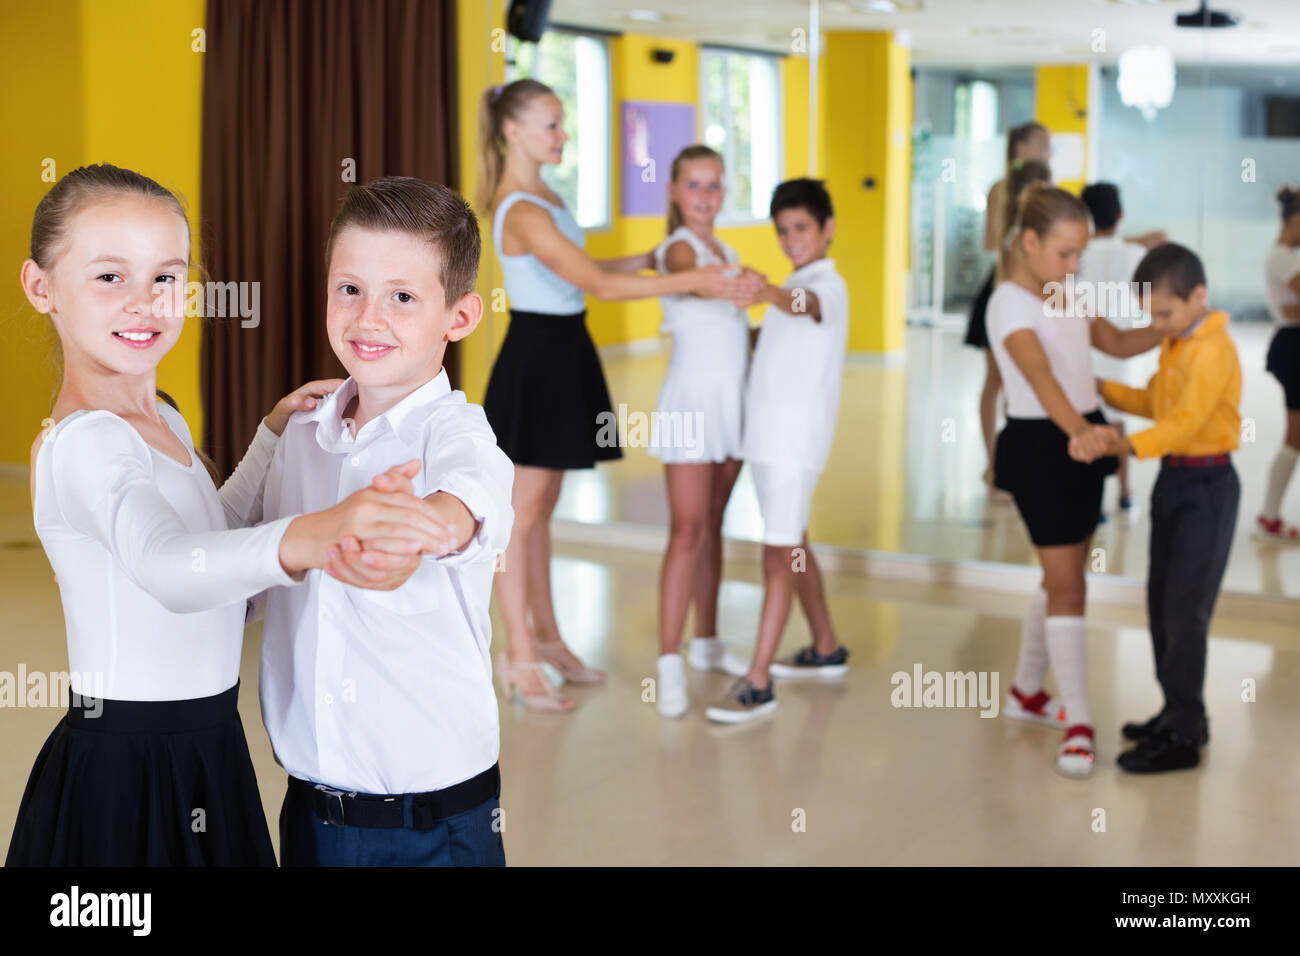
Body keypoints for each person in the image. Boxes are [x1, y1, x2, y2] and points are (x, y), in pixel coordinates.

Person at [7, 164, 438, 865]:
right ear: (41, 287)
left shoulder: (163, 418)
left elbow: (210, 549)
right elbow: (171, 570)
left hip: (208, 748)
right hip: (130, 769)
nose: (144, 303)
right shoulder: (86, 442)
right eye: (110, 277)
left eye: (166, 277)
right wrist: (319, 532)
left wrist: (268, 440)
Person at [476, 79, 759, 711]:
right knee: (517, 519)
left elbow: (595, 271)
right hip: (537, 356)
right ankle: (517, 650)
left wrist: (655, 257)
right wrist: (691, 277)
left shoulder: (546, 193)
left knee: (542, 508)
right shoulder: (519, 208)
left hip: (564, 348)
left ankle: (549, 638)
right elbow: (598, 286)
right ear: (513, 132)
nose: (563, 135)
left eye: (562, 122)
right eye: (552, 124)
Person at [258, 176, 515, 866]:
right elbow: (246, 566)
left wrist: (426, 525)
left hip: (428, 826)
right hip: (309, 810)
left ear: (458, 318)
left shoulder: (457, 432)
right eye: (350, 289)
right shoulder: (301, 435)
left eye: (403, 297)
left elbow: (472, 498)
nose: (369, 317)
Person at [987, 184, 1162, 778]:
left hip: (1081, 433)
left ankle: (1027, 692)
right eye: (1064, 253)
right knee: (1070, 589)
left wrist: (1175, 326)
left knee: (1059, 577)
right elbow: (1038, 377)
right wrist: (1079, 436)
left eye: (1080, 253)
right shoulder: (1008, 303)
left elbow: (1112, 342)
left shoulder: (1071, 292)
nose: (1074, 265)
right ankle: (1079, 722)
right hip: (1044, 443)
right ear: (1029, 242)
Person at [1075, 243, 1241, 773]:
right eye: (1151, 317)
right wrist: (1100, 388)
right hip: (1174, 481)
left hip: (1207, 487)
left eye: (1166, 314)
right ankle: (1180, 711)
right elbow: (1155, 402)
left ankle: (1182, 736)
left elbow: (1184, 424)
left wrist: (1119, 444)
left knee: (1184, 612)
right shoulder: (1180, 341)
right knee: (1160, 603)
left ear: (1199, 296)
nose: (1159, 326)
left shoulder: (1211, 350)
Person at [705, 178, 851, 725]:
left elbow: (804, 305)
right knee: (796, 544)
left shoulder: (824, 286)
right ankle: (827, 647)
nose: (792, 239)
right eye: (783, 229)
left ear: (826, 229)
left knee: (777, 554)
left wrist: (767, 294)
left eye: (802, 228)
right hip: (767, 440)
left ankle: (759, 680)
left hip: (792, 444)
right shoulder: (796, 282)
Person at [651, 145, 754, 717]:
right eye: (694, 185)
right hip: (691, 405)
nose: (706, 196)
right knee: (687, 530)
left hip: (731, 403)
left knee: (714, 525)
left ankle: (708, 642)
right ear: (674, 191)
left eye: (715, 185)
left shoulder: (727, 250)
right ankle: (669, 661)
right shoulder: (680, 251)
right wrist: (747, 286)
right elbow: (690, 280)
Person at [966, 122, 1051, 491]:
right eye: (1043, 145)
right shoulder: (1000, 191)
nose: (1049, 151)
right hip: (1004, 289)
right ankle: (994, 464)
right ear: (1021, 149)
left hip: (1031, 292)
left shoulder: (1044, 189)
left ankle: (1008, 463)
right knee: (998, 380)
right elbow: (992, 243)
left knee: (1018, 380)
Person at [1078, 181, 1155, 518]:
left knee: (1086, 419)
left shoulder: (1075, 256)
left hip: (1083, 348)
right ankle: (1124, 492)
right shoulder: (1136, 255)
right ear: (1120, 214)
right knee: (1119, 419)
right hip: (1121, 346)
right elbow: (1146, 298)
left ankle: (1090, 497)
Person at [1257, 185, 1300, 540]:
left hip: (1292, 342)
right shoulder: (1283, 257)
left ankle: (1269, 515)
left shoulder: (1288, 255)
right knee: (1294, 437)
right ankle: (1269, 516)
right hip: (1293, 346)